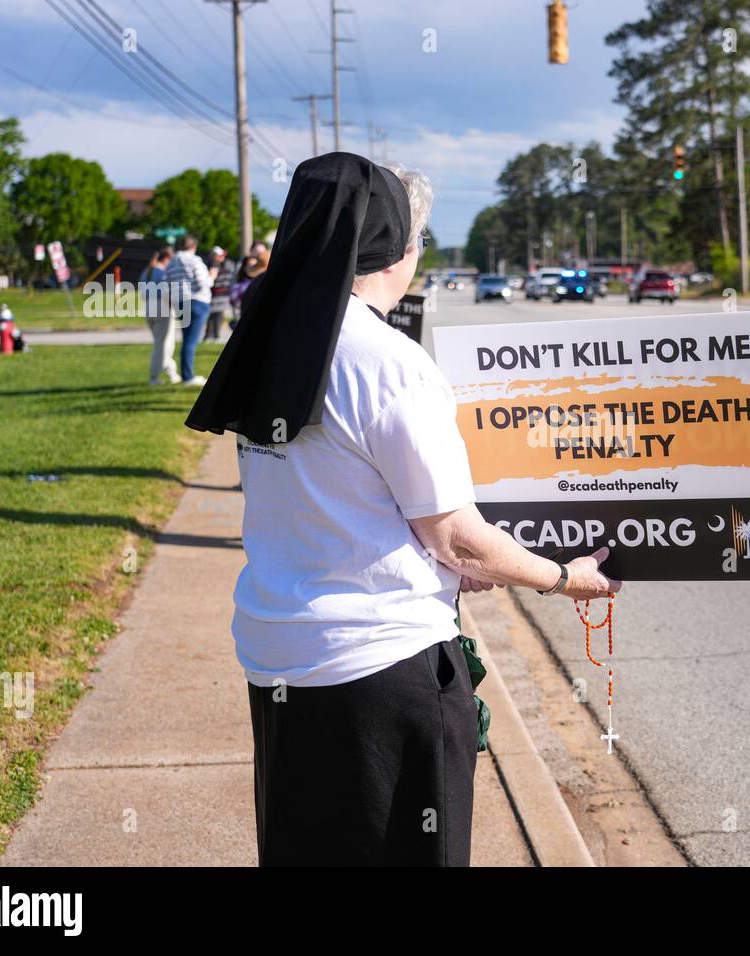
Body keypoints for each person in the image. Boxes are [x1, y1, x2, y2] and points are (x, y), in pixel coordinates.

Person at [185, 153, 620, 867]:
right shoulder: (387, 361)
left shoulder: (267, 344)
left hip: (279, 663)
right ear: (398, 249)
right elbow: (458, 538)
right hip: (381, 674)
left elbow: (327, 497)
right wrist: (563, 577)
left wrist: (441, 561)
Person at [164, 234, 213, 386]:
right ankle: (188, 376)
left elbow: (168, 283)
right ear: (194, 247)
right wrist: (211, 278)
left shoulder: (171, 263)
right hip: (197, 301)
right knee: (191, 341)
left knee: (187, 340)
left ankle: (187, 374)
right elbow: (202, 281)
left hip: (180, 302)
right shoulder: (194, 260)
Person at [142, 246, 180, 385]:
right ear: (166, 259)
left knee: (162, 343)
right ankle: (154, 377)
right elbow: (167, 293)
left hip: (148, 307)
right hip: (162, 308)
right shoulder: (162, 273)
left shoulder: (147, 272)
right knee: (163, 345)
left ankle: (173, 372)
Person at [205, 247, 233, 342]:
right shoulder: (211, 265)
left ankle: (215, 336)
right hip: (213, 295)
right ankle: (209, 336)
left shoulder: (225, 264)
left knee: (218, 315)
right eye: (220, 256)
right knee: (212, 316)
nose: (223, 257)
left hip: (222, 295)